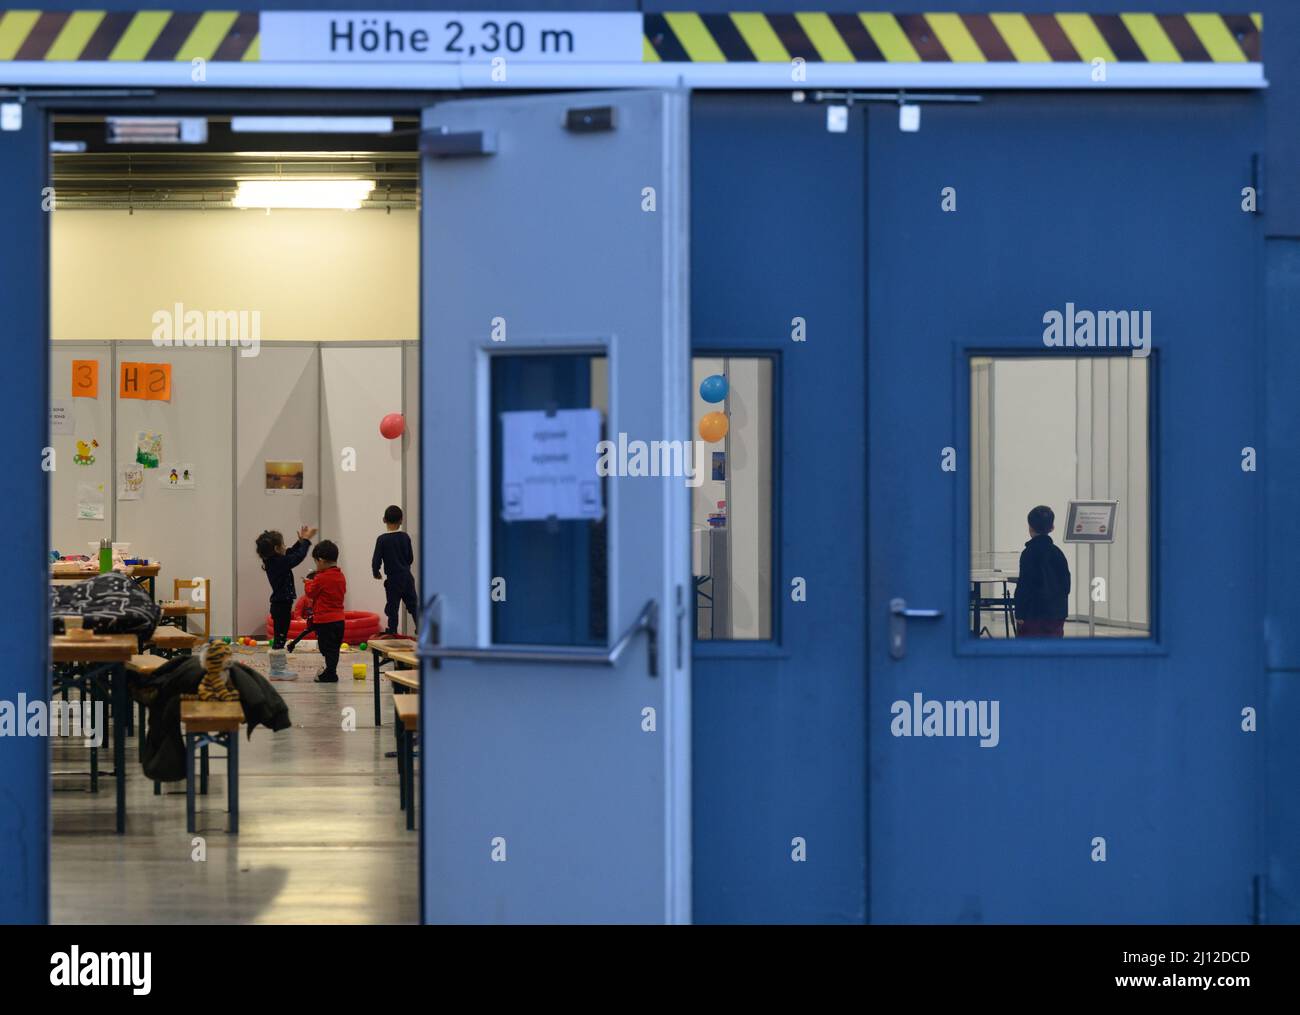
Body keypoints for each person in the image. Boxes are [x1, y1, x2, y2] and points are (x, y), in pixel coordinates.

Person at [256, 525, 316, 661]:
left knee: (280, 637)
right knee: (280, 638)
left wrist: (299, 542)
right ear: (277, 549)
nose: (285, 547)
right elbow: (297, 557)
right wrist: (306, 541)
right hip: (281, 606)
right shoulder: (278, 563)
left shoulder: (274, 560)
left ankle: (278, 668)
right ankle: (277, 669)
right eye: (283, 544)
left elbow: (289, 553)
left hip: (280, 605)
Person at [1014, 505, 1071, 638]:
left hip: (1033, 615)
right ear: (1052, 528)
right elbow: (1066, 583)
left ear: (1030, 527)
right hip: (1056, 614)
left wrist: (1020, 612)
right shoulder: (1058, 553)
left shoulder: (1028, 553)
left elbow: (1025, 584)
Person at [303, 540, 347, 683]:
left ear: (321, 560)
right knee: (334, 648)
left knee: (325, 647)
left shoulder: (320, 578)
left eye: (316, 562)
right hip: (339, 620)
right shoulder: (341, 576)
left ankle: (330, 673)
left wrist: (307, 582)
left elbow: (310, 593)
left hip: (325, 621)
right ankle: (331, 671)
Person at [372, 505, 418, 637]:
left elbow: (376, 559)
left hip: (393, 579)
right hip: (407, 576)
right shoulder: (405, 537)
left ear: (384, 519)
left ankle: (392, 630)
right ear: (401, 520)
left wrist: (376, 572)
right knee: (413, 604)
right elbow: (410, 558)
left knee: (393, 606)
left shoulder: (382, 539)